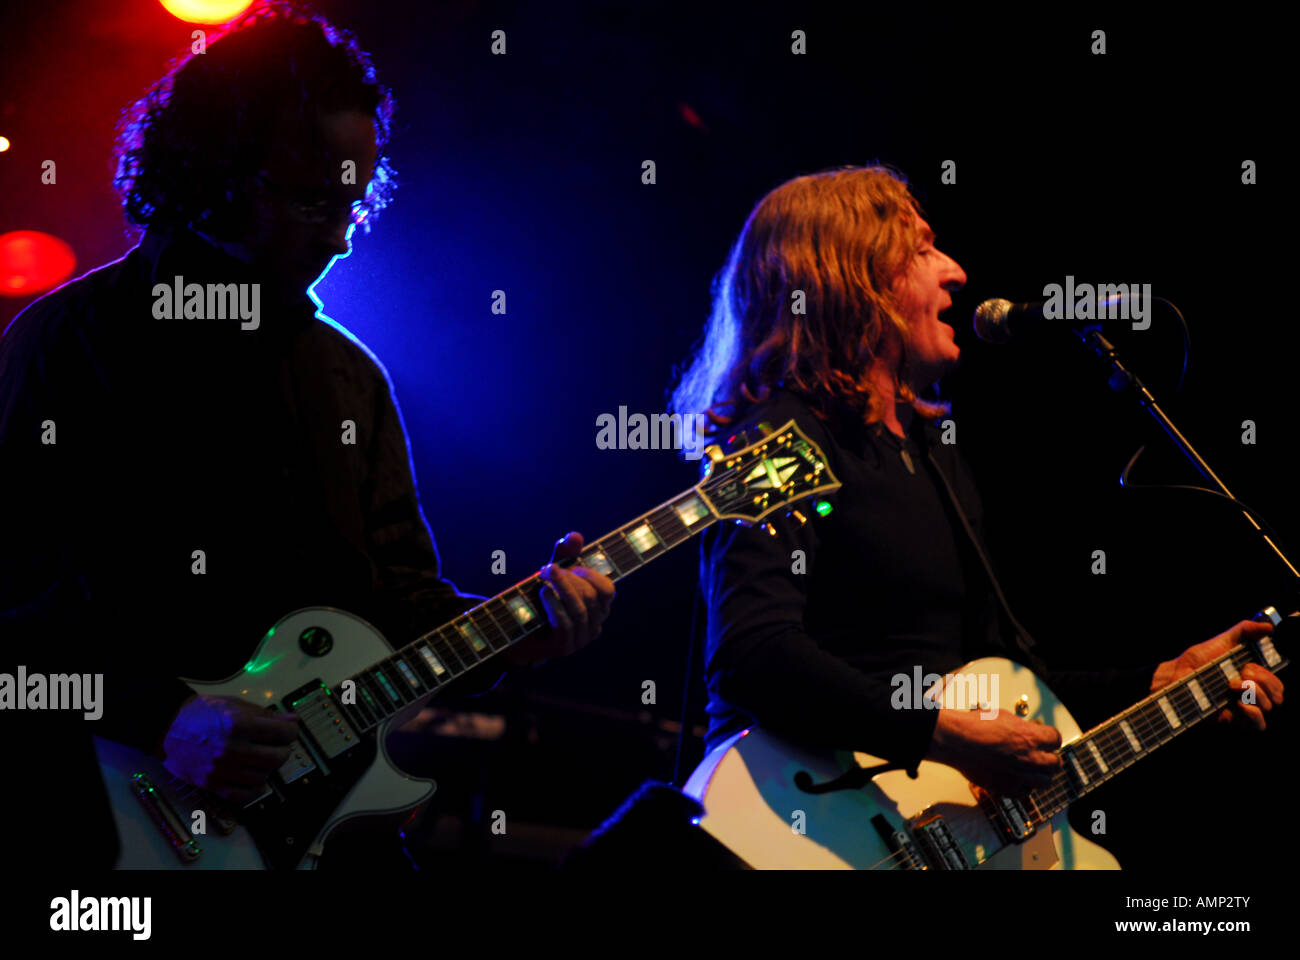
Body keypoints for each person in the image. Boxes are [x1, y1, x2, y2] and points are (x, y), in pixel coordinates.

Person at [0, 4, 613, 868]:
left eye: (353, 203)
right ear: (212, 169)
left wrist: (525, 630)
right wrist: (162, 717)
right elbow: (14, 610)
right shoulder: (70, 343)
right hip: (105, 823)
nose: (337, 235)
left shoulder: (348, 376)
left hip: (326, 833)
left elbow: (401, 603)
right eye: (310, 200)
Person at [669, 165, 1283, 805]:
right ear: (851, 276)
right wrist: (942, 736)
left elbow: (1013, 683)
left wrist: (1162, 680)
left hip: (922, 816)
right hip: (807, 819)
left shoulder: (935, 452)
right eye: (922, 249)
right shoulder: (779, 439)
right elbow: (753, 654)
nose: (957, 270)